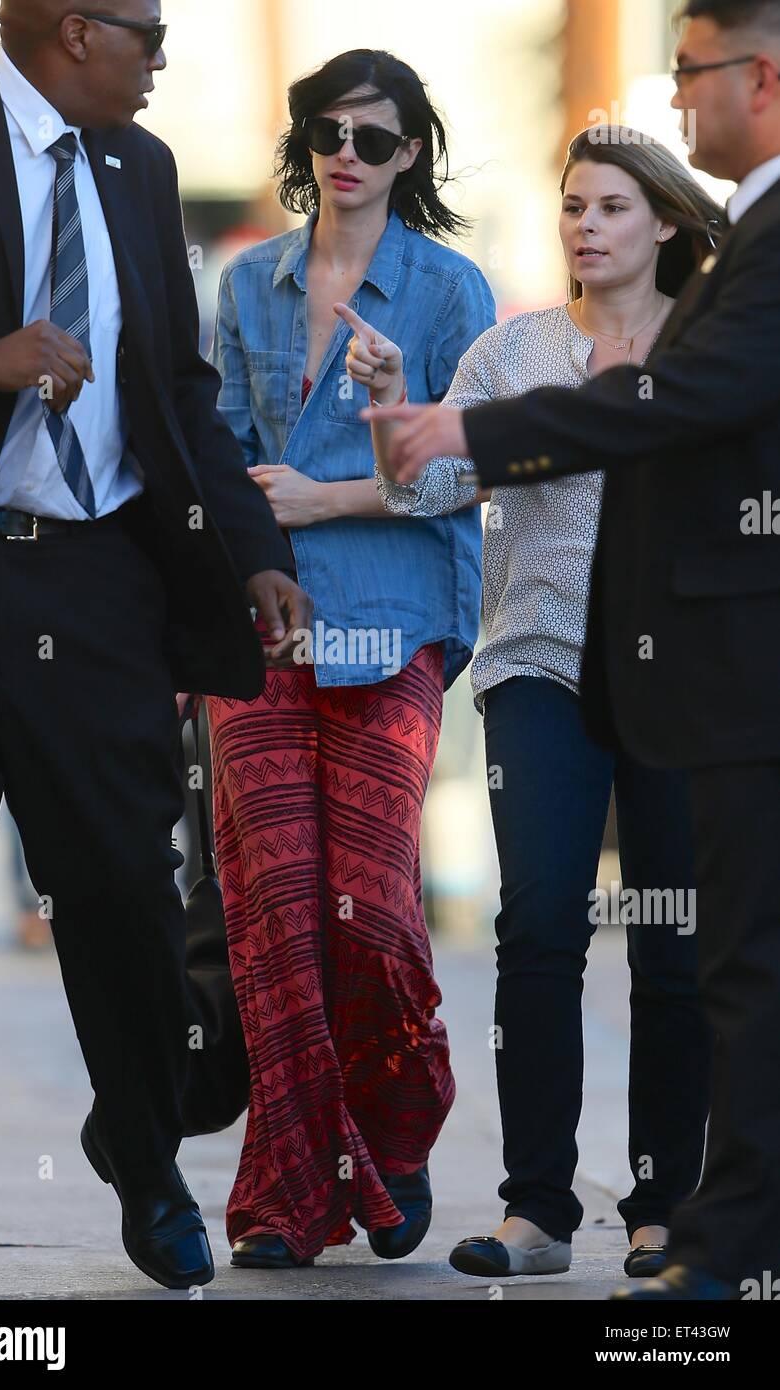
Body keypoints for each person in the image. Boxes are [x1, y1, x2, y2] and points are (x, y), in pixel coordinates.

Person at [370, 0, 780, 1301]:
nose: (586, 224)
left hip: (681, 673)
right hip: (541, 668)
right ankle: (538, 1204)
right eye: (572, 206)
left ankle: (670, 1210)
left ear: (660, 219)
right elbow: (430, 489)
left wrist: (487, 435)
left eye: (611, 204)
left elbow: (673, 418)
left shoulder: (703, 326)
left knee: (677, 941)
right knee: (540, 921)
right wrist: (411, 430)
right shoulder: (512, 348)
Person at [0, 0, 309, 1294]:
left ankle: (146, 1161)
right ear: (71, 30)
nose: (162, 57)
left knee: (127, 903)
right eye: (145, 31)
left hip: (96, 585)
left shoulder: (138, 169)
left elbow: (177, 389)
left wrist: (252, 545)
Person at [207, 48, 496, 1269]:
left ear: (410, 152)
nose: (349, 155)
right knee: (275, 913)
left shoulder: (445, 292)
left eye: (375, 139)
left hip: (391, 622)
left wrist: (330, 495)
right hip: (259, 631)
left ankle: (394, 1123)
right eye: (329, 132)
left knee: (370, 910)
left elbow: (471, 469)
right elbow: (217, 455)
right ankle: (283, 1194)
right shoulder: (248, 284)